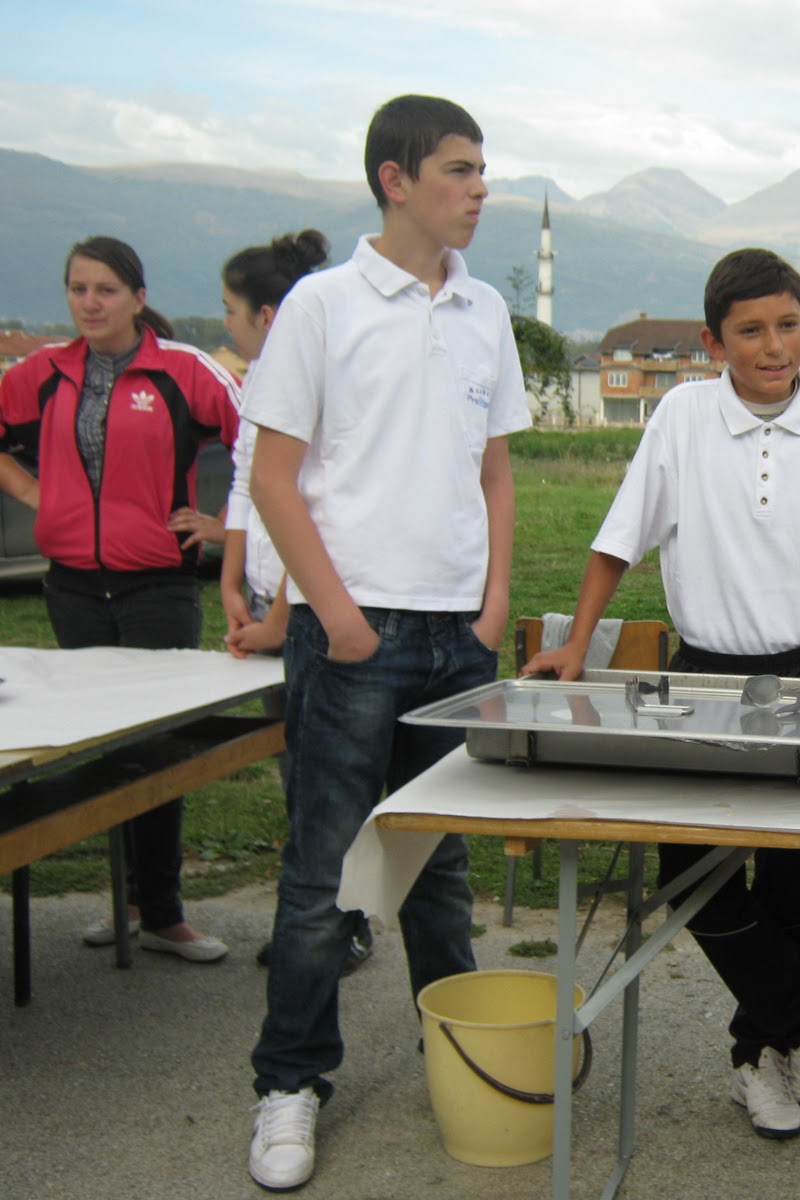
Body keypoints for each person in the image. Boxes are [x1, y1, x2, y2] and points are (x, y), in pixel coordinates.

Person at [527, 247, 800, 1140]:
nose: (773, 344)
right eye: (751, 330)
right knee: (687, 871)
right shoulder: (679, 415)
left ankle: (765, 1059)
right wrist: (571, 647)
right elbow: (619, 538)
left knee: (796, 881)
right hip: (701, 675)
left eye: (788, 325)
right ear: (715, 341)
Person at [241, 95, 530, 1191]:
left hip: (460, 637)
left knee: (439, 867)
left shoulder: (486, 309)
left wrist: (494, 603)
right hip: (353, 632)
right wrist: (341, 616)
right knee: (324, 874)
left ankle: (451, 1048)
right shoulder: (321, 305)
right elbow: (273, 475)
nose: (480, 187)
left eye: (483, 169)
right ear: (394, 178)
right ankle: (290, 1083)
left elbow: (495, 469)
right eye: (459, 169)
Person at [0, 235, 241, 963]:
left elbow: (267, 441)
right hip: (73, 585)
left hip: (157, 587)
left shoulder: (183, 371)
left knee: (156, 748)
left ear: (138, 298)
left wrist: (225, 526)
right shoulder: (39, 374)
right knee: (100, 746)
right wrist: (40, 498)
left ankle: (161, 909)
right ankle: (121, 902)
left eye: (105, 289)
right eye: (78, 289)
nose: (90, 303)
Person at [215, 228, 376, 978]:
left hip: (306, 608)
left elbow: (303, 508)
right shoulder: (255, 390)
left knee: (322, 791)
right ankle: (318, 923)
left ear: (270, 317)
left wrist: (279, 616)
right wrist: (230, 577)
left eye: (232, 312)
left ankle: (338, 926)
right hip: (270, 601)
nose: (226, 325)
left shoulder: (304, 384)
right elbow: (246, 494)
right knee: (300, 782)